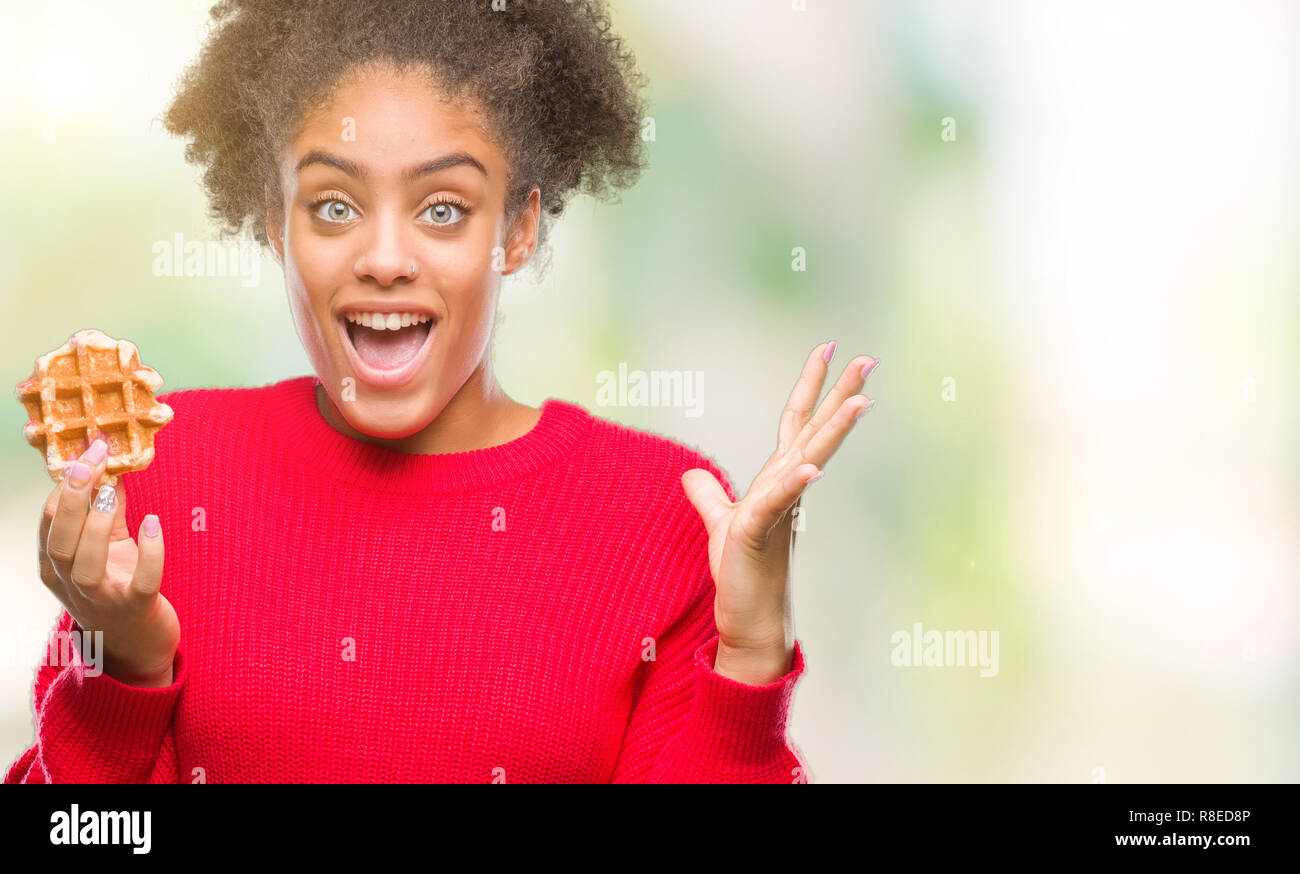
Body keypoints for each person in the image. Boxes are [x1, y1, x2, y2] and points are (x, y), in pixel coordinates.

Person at [6, 0, 877, 783]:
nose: (386, 258)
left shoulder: (667, 516)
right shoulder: (163, 480)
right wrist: (121, 668)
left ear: (519, 228)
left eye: (445, 208)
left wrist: (752, 653)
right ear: (276, 220)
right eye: (334, 206)